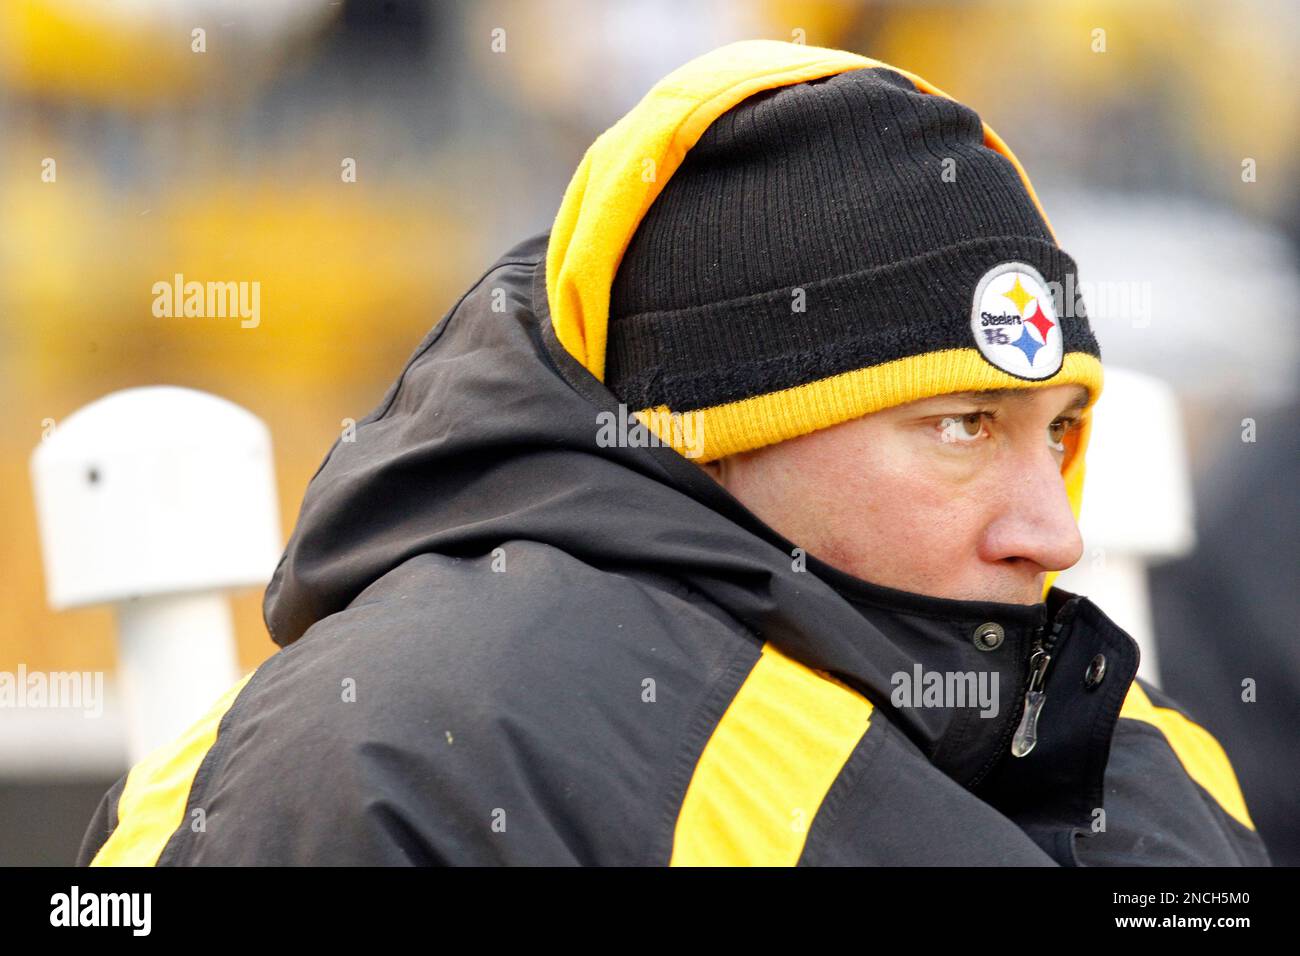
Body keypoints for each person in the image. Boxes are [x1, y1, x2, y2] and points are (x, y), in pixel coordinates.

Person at [77, 40, 1270, 866]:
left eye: (1058, 432)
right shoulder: (414, 740)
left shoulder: (1064, 714)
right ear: (713, 444)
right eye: (961, 426)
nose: (1055, 527)